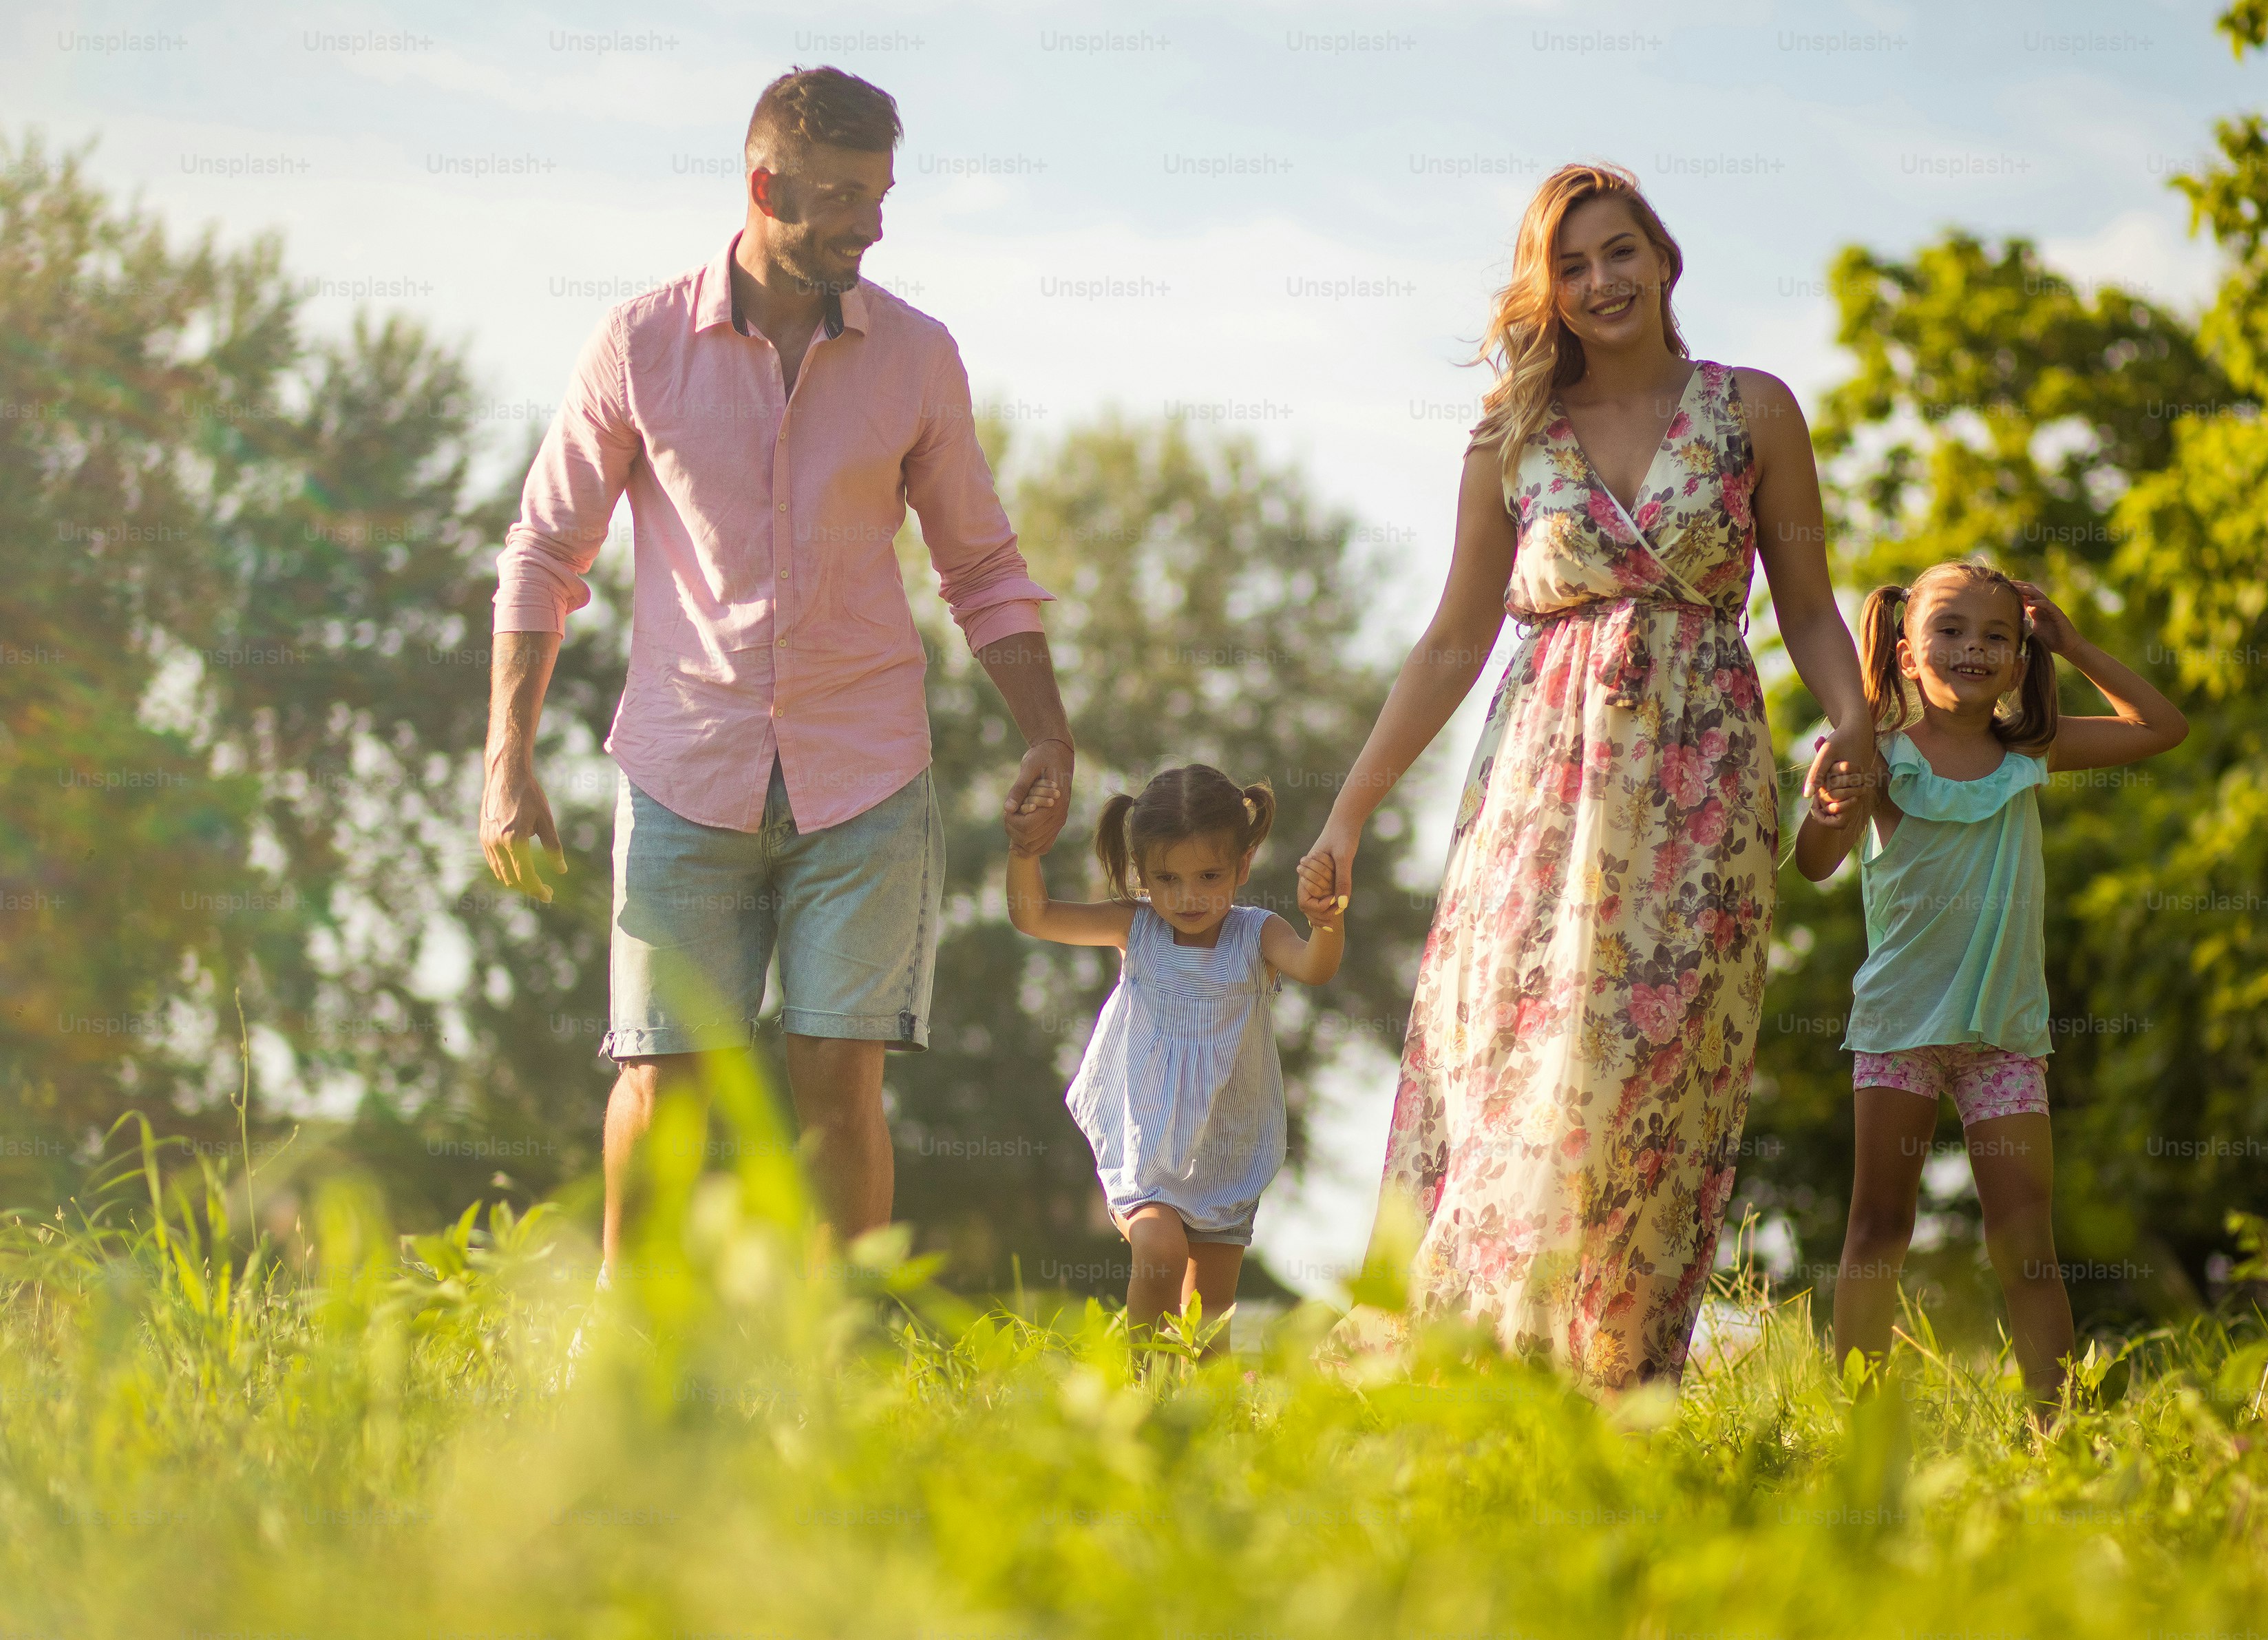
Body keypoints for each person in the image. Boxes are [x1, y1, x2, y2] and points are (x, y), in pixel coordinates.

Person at [477, 67, 1074, 1270]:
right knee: (662, 1085)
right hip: (683, 772)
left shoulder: (915, 357)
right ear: (766, 186)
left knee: (835, 1093)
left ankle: (827, 1373)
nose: (872, 222)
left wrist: (1046, 733)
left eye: (881, 195)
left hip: (865, 781)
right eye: (846, 196)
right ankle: (628, 1371)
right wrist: (507, 758)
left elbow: (983, 564)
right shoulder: (640, 345)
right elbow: (545, 550)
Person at [1298, 162, 1880, 1389]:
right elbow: (1453, 640)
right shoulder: (1510, 438)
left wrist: (1853, 728)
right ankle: (1467, 1380)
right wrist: (1350, 812)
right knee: (1512, 1068)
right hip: (1536, 793)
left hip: (1699, 787)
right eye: (1571, 265)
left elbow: (1813, 612)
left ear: (1664, 258)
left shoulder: (1752, 410)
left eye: (1621, 252)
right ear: (1544, 292)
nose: (1601, 280)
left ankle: (1622, 1392)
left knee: (1654, 1086)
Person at [1794, 562, 2186, 1413]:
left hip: (2006, 1038)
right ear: (1905, 652)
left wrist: (2076, 645)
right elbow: (1817, 867)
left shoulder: (2030, 752)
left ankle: (2058, 1431)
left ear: (2019, 660)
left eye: (1997, 636)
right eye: (1952, 630)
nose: (1974, 648)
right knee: (1877, 1230)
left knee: (2027, 1247)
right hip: (1900, 1029)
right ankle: (1862, 1425)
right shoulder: (1878, 756)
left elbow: (2161, 726)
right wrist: (1829, 806)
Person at [1004, 764, 1344, 1339]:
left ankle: (1198, 1422)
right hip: (1149, 1152)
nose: (1188, 897)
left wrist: (1325, 922)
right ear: (1141, 875)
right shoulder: (1135, 929)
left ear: (1242, 866)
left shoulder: (1255, 934)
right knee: (1158, 1248)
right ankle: (1140, 1398)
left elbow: (1314, 966)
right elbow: (1032, 915)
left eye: (1209, 875)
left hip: (1224, 1154)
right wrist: (1022, 850)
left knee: (1206, 1331)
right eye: (1166, 879)